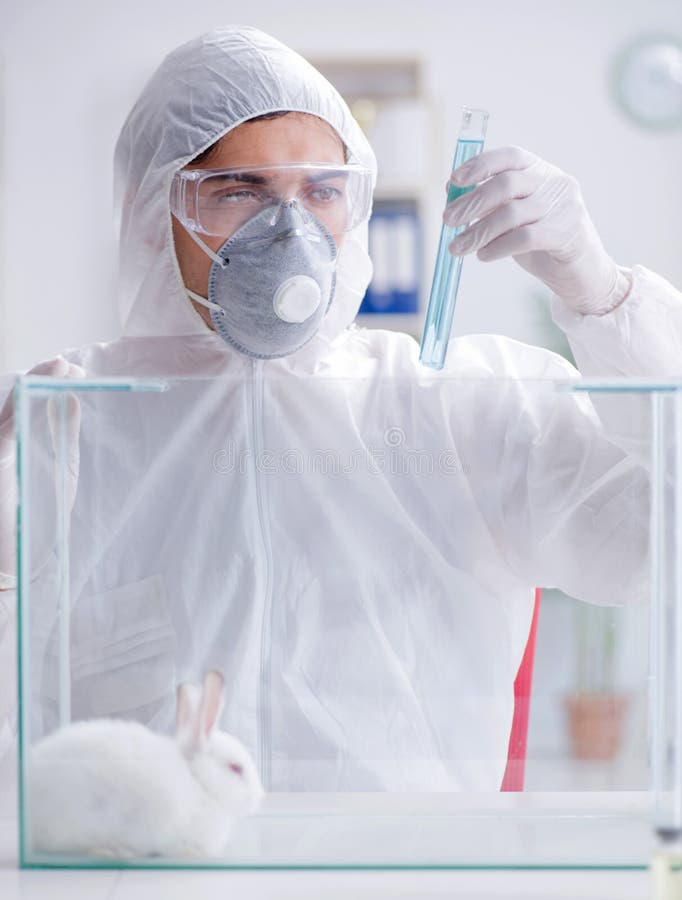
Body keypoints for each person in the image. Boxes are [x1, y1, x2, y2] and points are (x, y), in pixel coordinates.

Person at [0, 25, 681, 792]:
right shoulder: (72, 416)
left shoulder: (451, 405)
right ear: (153, 211)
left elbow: (659, 539)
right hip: (154, 869)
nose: (287, 229)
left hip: (402, 867)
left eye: (320, 190)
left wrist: (604, 296)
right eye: (237, 191)